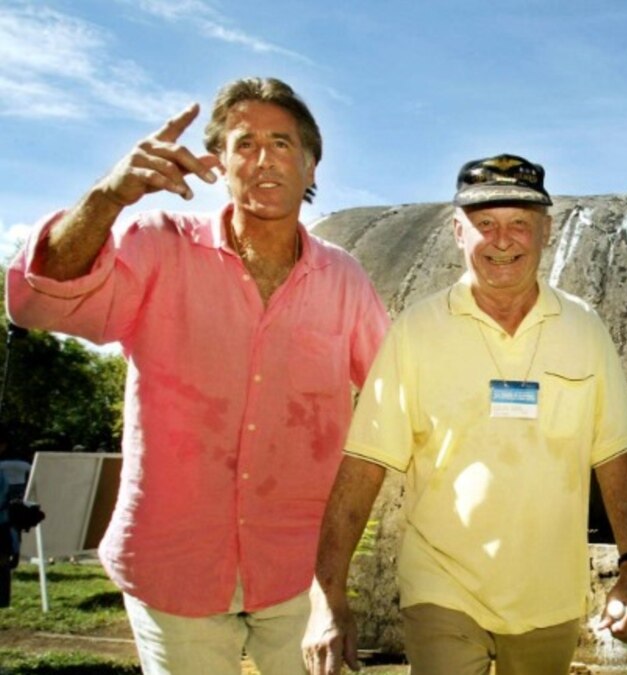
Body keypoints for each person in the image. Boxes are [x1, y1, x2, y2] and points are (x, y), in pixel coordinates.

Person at [5, 77, 389, 674]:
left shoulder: (345, 279)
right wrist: (108, 196)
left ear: (311, 166)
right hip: (172, 564)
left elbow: (395, 393)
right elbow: (38, 299)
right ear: (219, 163)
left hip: (298, 569)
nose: (264, 159)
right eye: (244, 143)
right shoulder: (157, 243)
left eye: (282, 143)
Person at [303, 154, 627, 675]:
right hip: (441, 587)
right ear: (457, 231)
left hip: (548, 595)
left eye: (519, 224)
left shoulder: (584, 329)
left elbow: (614, 459)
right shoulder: (417, 332)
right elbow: (365, 464)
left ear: (546, 231)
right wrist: (327, 596)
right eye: (484, 223)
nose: (502, 240)